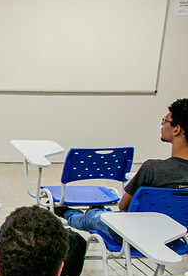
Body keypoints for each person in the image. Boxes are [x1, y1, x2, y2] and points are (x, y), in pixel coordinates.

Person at [58, 98, 188, 237]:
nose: (162, 125)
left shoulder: (152, 168)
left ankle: (69, 213)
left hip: (134, 237)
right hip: (175, 237)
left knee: (94, 217)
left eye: (165, 120)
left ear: (176, 129)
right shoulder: (156, 169)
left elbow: (123, 206)